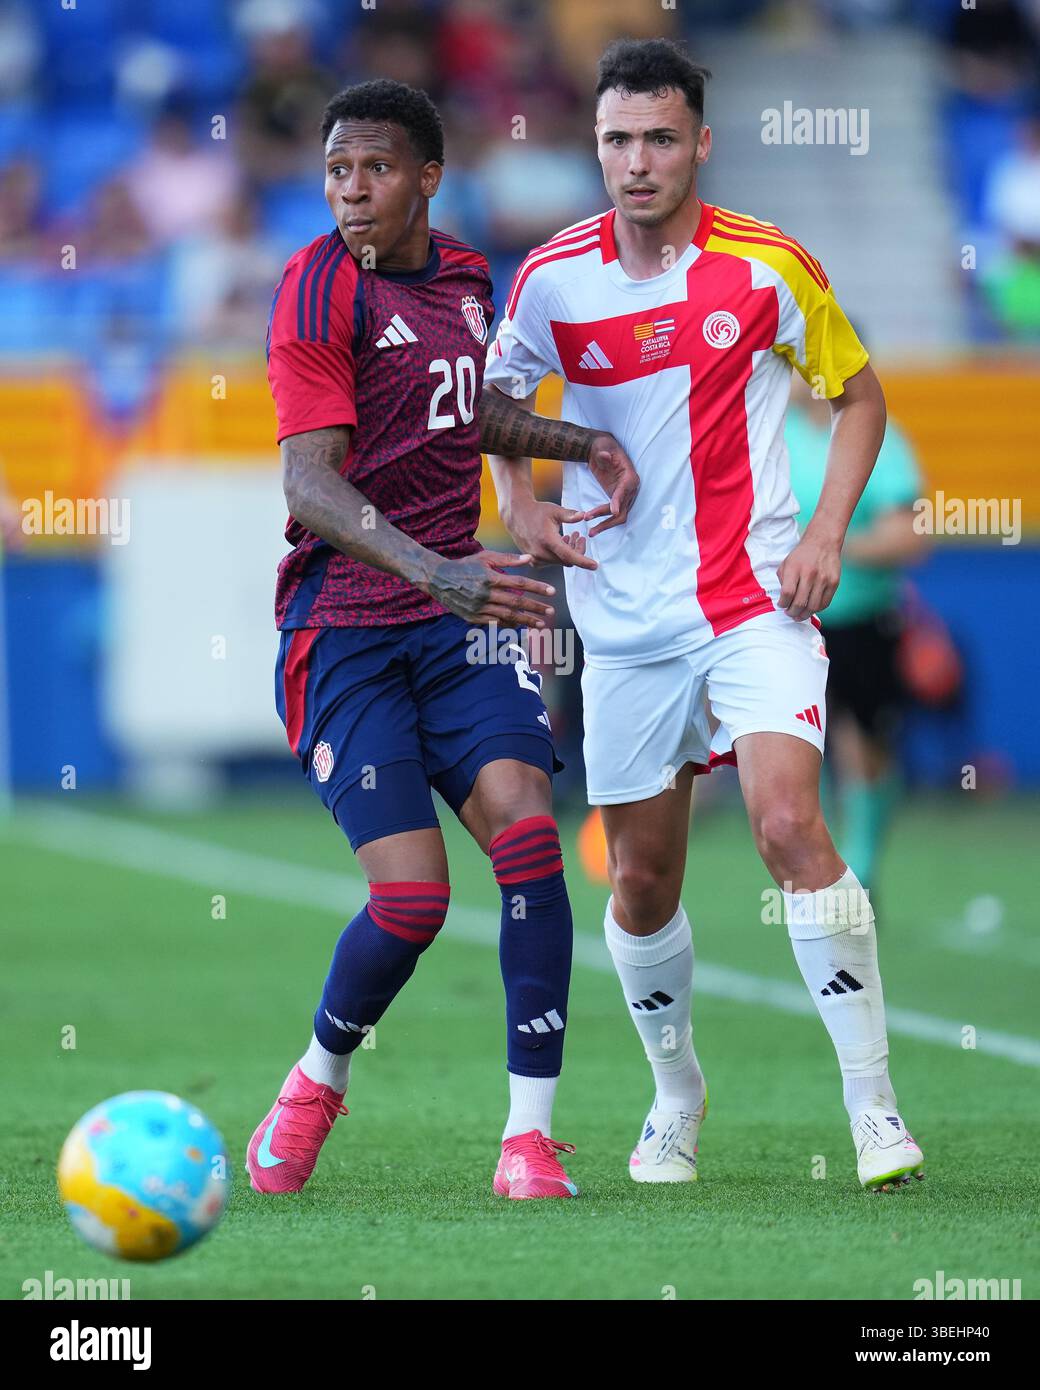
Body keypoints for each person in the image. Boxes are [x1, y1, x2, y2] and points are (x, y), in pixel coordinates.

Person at [479, 38, 924, 1192]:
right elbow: (491, 405)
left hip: (750, 600)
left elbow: (859, 396)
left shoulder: (768, 267)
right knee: (639, 882)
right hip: (621, 622)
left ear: (700, 145)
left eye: (659, 138)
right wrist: (520, 505)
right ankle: (676, 1099)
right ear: (595, 145)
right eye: (617, 140)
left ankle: (872, 1109)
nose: (637, 162)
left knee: (786, 826)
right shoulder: (550, 280)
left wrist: (826, 532)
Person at [248, 79, 581, 1202]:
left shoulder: (466, 279)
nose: (352, 189)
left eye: (376, 169)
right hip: (343, 626)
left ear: (429, 177)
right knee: (413, 903)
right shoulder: (315, 286)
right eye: (338, 170)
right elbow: (309, 476)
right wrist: (441, 568)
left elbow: (464, 412)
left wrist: (573, 437)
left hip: (457, 626)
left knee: (529, 840)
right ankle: (317, 1075)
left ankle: (526, 1140)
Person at [786, 370, 927, 893]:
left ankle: (862, 862)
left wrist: (825, 546)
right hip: (792, 622)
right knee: (804, 746)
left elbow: (909, 537)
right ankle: (830, 872)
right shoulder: (774, 435)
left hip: (863, 619)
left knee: (866, 746)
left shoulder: (882, 440)